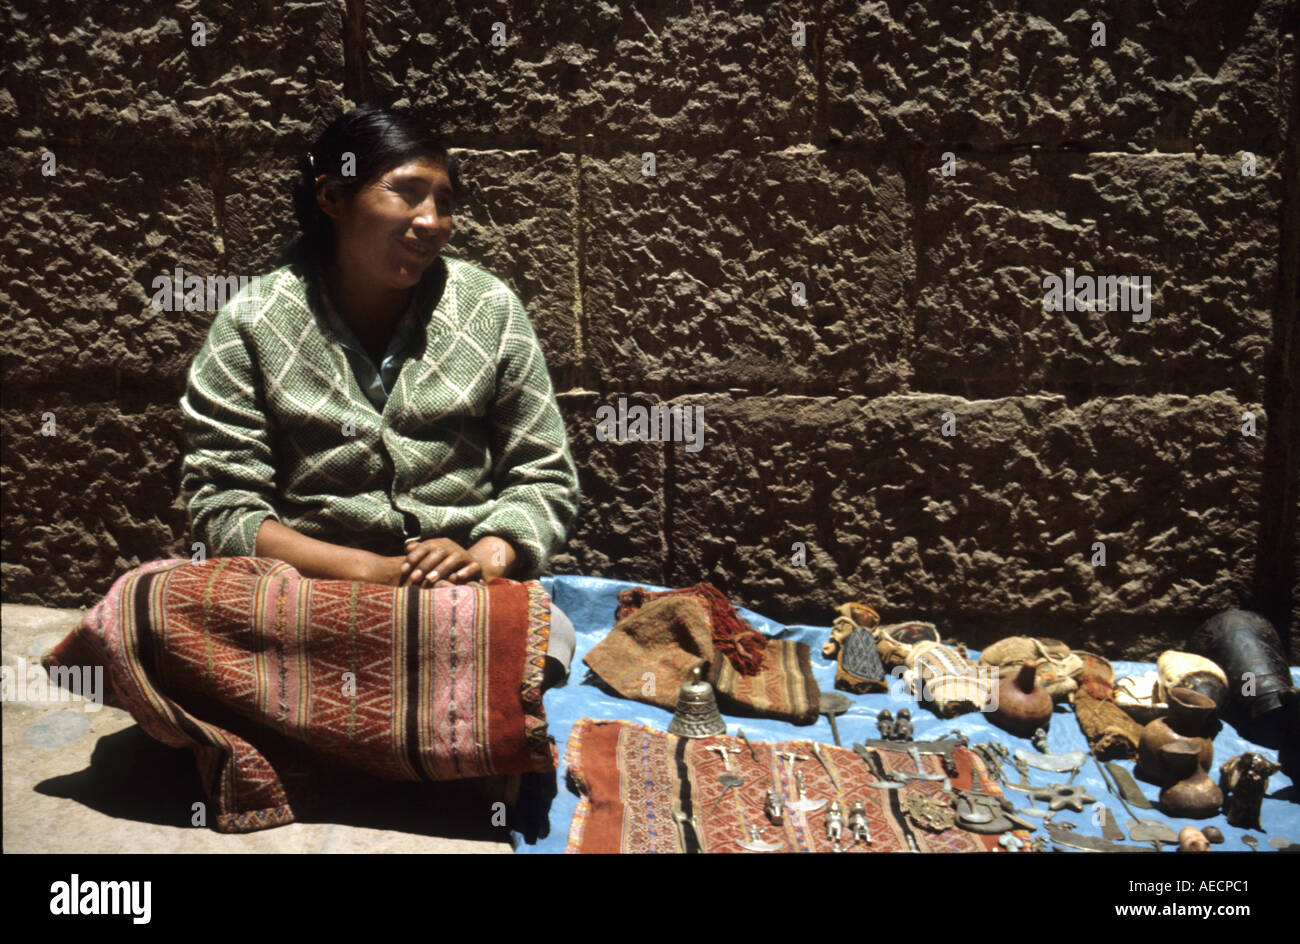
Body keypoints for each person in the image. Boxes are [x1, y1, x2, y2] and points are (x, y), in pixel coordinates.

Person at [178, 104, 579, 676]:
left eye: (444, 202)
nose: (432, 220)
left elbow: (544, 477)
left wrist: (484, 557)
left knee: (543, 635)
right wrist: (372, 571)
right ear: (332, 198)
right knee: (148, 612)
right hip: (314, 599)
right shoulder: (251, 323)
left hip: (463, 597)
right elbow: (222, 507)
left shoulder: (489, 309)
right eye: (407, 193)